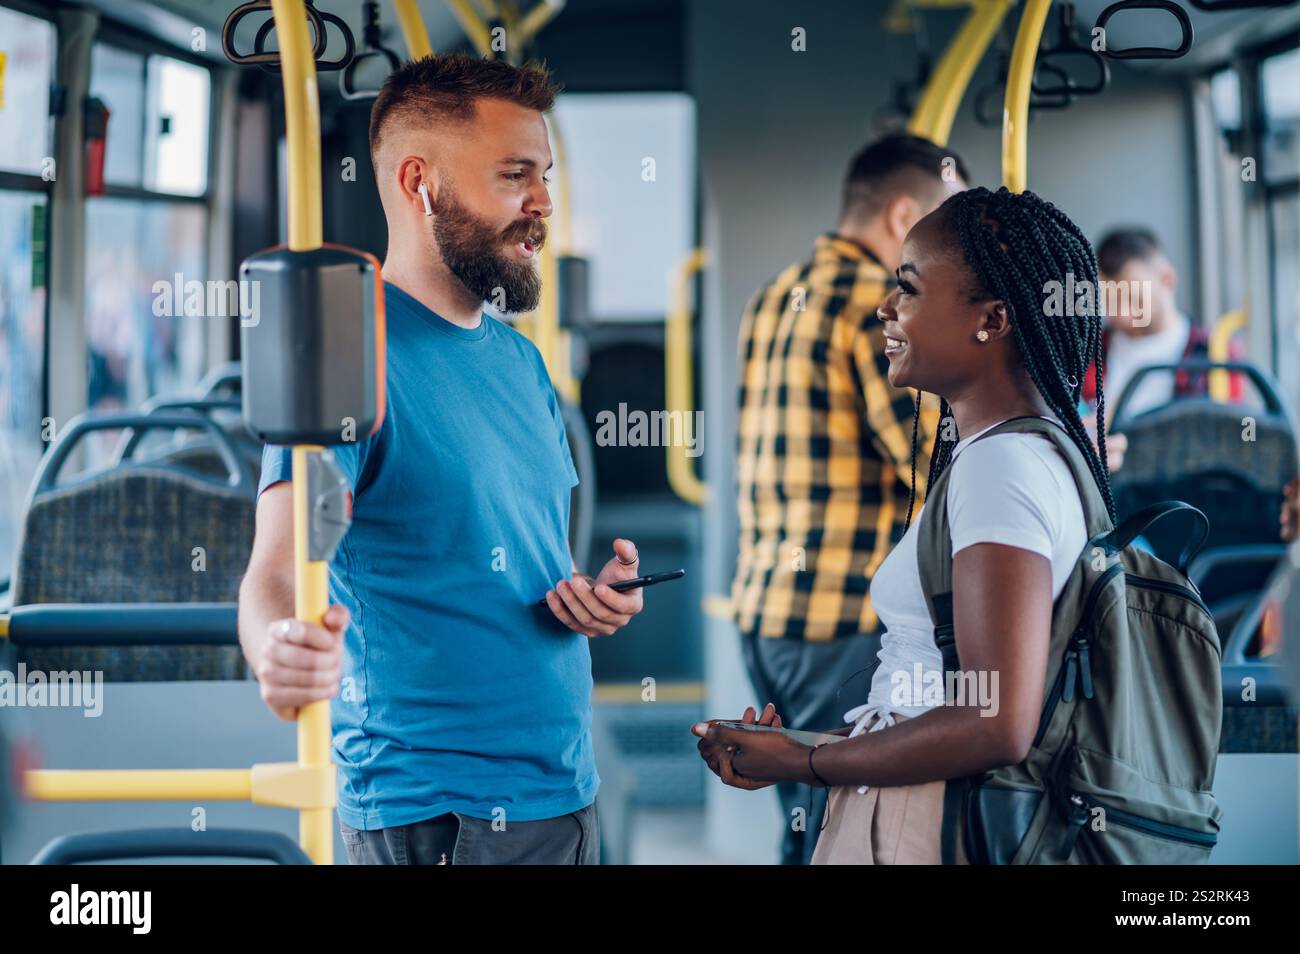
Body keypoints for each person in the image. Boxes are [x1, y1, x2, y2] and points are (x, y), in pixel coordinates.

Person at [238, 55, 645, 865]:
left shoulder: (519, 361)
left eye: (546, 176)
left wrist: (590, 599)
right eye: (515, 175)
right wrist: (277, 646)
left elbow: (516, 560)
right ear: (420, 184)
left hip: (562, 786)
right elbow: (276, 570)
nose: (543, 203)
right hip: (437, 810)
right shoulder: (352, 359)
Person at [697, 186, 1112, 864]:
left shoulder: (1000, 468)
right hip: (916, 801)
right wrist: (801, 749)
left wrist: (808, 765)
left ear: (993, 320)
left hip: (927, 821)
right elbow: (935, 695)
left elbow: (995, 721)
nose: (885, 308)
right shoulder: (1014, 453)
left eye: (908, 290)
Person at [731, 133, 967, 864]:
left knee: (806, 824)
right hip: (843, 620)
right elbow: (934, 457)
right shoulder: (876, 305)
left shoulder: (775, 294)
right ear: (905, 217)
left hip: (769, 610)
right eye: (948, 229)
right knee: (841, 829)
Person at [1085, 227, 1242, 422]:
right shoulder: (1086, 354)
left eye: (1134, 299)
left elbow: (1229, 436)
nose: (1123, 315)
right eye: (1110, 302)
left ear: (1167, 280)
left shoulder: (1217, 355)